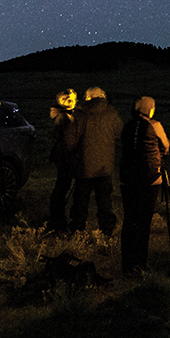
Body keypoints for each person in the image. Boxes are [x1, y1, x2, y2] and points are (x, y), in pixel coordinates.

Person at [119, 95, 170, 275]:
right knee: (143, 221)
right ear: (150, 109)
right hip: (149, 179)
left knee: (129, 219)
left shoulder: (127, 126)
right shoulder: (155, 126)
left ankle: (126, 264)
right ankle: (140, 263)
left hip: (127, 178)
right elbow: (166, 146)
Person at [66, 86, 124, 236]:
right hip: (104, 166)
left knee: (81, 200)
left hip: (84, 166)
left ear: (88, 98)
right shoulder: (111, 113)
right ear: (101, 96)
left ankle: (77, 229)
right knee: (104, 200)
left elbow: (70, 141)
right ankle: (106, 230)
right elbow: (120, 132)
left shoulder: (79, 115)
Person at [46, 89, 77, 232]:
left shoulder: (65, 116)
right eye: (67, 99)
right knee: (61, 188)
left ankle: (57, 219)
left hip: (64, 156)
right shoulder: (63, 118)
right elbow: (67, 141)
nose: (70, 101)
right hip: (65, 157)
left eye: (71, 99)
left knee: (62, 188)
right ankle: (57, 221)